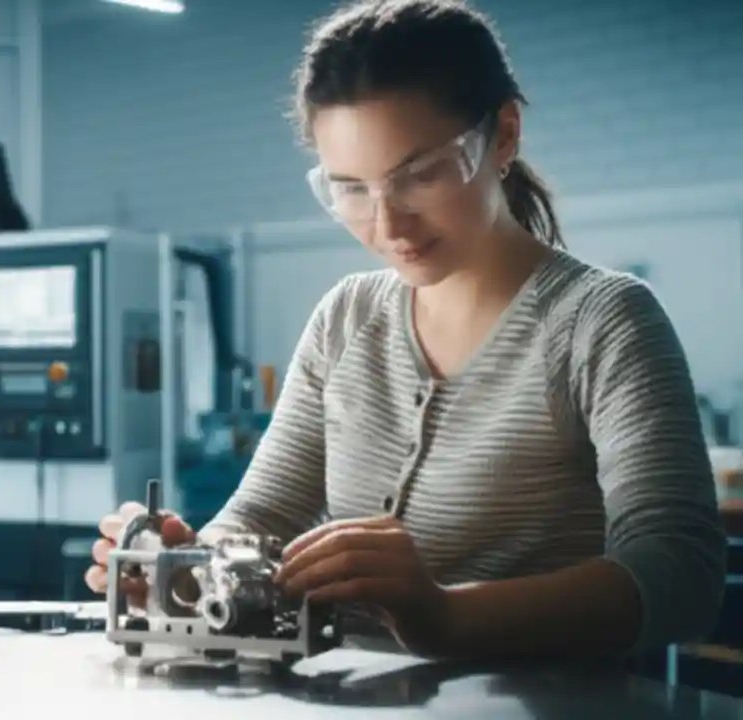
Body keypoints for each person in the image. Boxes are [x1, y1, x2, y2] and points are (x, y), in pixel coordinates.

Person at [84, 0, 726, 661]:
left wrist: (447, 617)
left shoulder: (603, 322)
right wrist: (179, 574)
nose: (387, 225)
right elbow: (258, 519)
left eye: (419, 174)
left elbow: (681, 575)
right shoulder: (346, 319)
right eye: (351, 189)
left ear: (504, 134)